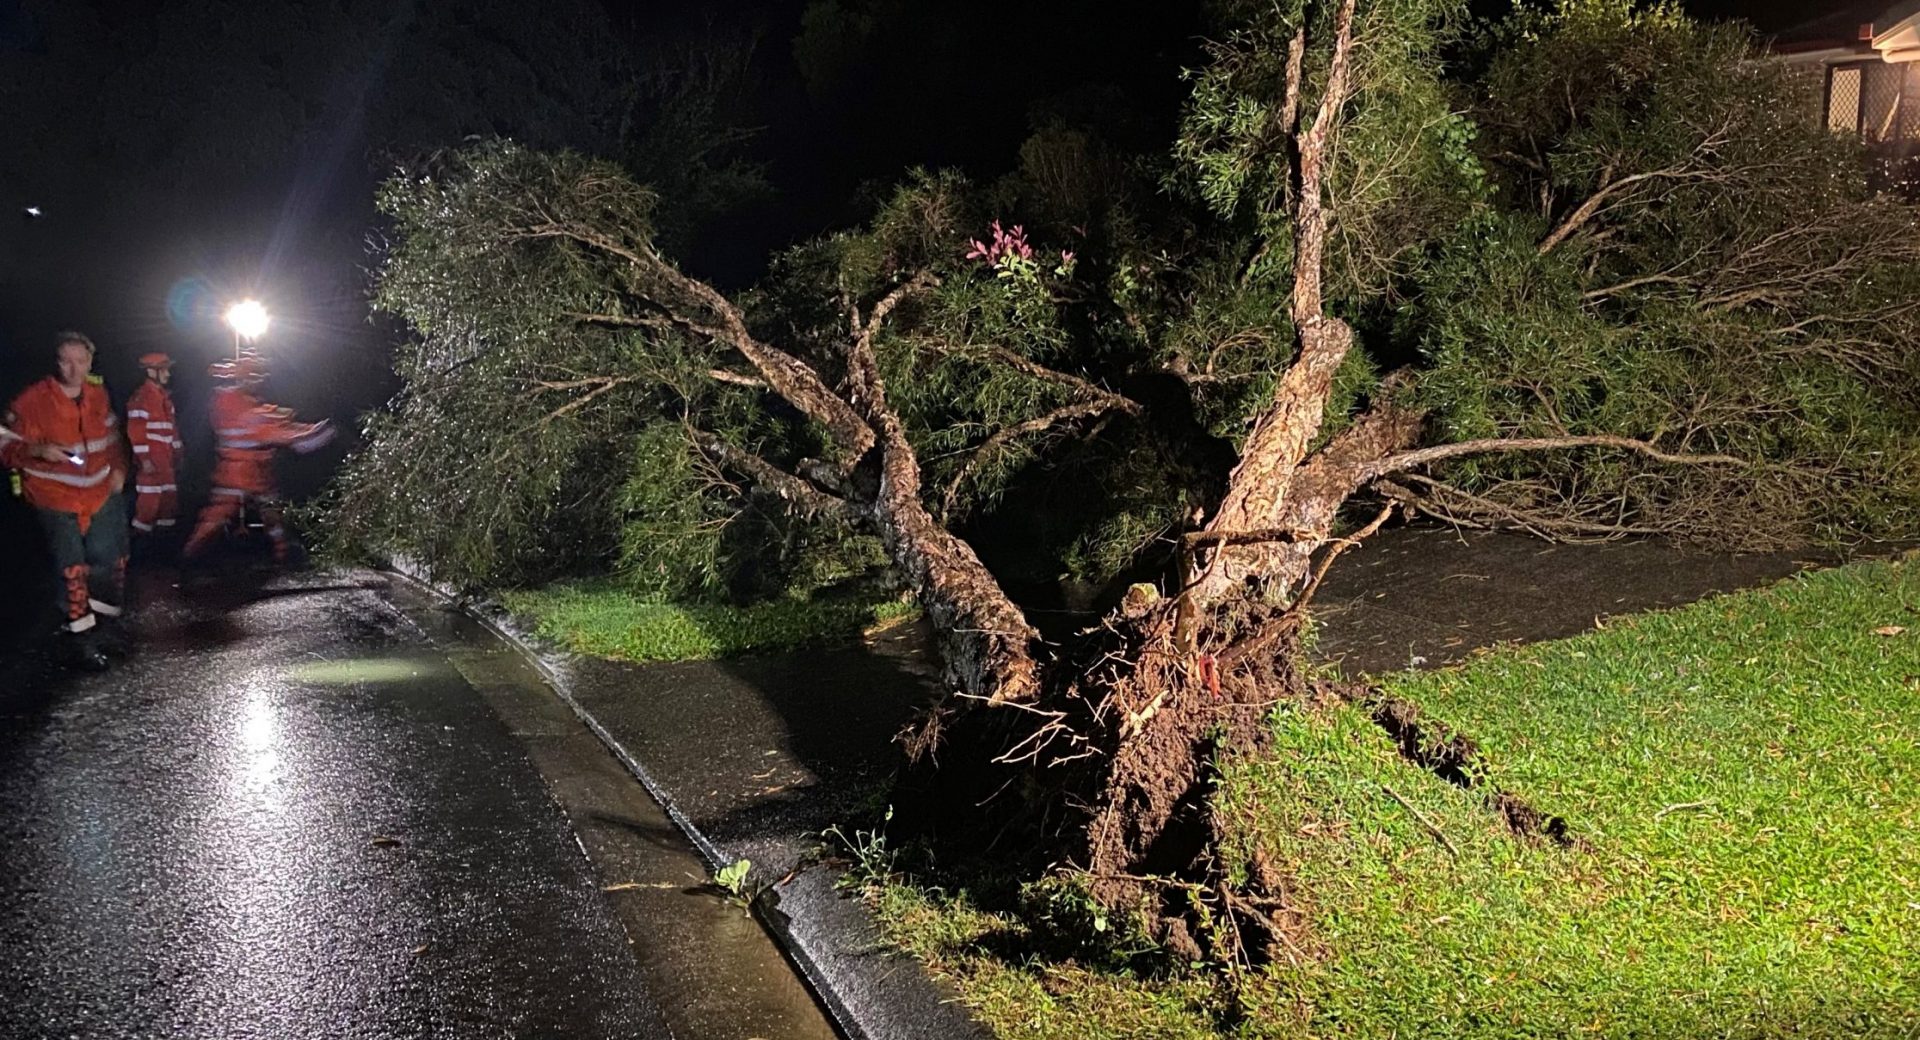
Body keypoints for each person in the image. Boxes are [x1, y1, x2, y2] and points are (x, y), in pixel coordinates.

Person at [0, 331, 129, 670]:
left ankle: (105, 628)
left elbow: (113, 439)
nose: (73, 369)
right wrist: (35, 450)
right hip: (54, 497)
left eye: (80, 361)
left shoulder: (98, 394)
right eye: (65, 361)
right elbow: (4, 443)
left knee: (110, 561)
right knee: (72, 569)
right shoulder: (32, 400)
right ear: (56, 362)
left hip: (100, 493)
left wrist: (119, 470)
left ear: (90, 362)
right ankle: (81, 639)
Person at [181, 354, 332, 565]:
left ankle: (282, 553)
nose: (260, 382)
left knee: (269, 511)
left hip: (253, 468)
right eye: (256, 377)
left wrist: (303, 429)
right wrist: (302, 434)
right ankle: (189, 555)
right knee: (219, 515)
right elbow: (265, 429)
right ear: (245, 378)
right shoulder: (231, 402)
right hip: (237, 471)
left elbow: (268, 423)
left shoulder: (241, 401)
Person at [126, 351, 183, 537]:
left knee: (169, 503)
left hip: (165, 460)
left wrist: (178, 453)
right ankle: (139, 549)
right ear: (151, 372)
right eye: (164, 370)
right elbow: (136, 430)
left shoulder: (164, 398)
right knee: (149, 504)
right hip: (152, 459)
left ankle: (161, 549)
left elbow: (171, 430)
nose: (168, 374)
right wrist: (145, 459)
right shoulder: (141, 397)